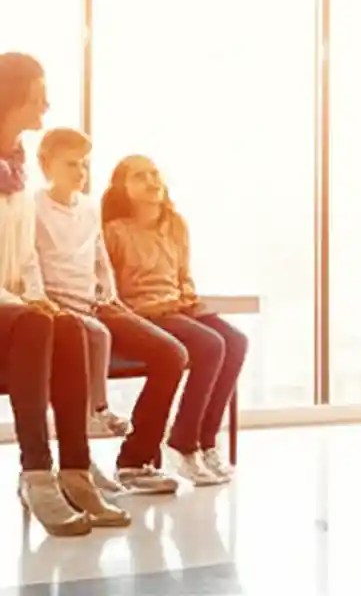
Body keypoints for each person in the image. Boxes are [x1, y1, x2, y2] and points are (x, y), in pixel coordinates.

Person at [0, 53, 129, 535]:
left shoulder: (14, 171)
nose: (46, 105)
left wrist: (36, 295)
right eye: (38, 96)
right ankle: (36, 475)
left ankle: (75, 471)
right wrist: (24, 304)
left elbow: (25, 255)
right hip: (7, 313)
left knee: (68, 324)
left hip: (11, 312)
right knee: (37, 322)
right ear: (11, 97)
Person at [34, 128, 184, 494]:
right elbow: (28, 260)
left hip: (97, 303)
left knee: (172, 354)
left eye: (84, 164)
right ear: (46, 165)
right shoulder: (32, 206)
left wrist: (110, 295)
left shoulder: (87, 209)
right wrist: (44, 300)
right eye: (71, 164)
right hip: (57, 306)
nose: (80, 172)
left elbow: (100, 256)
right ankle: (79, 464)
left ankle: (136, 462)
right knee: (84, 340)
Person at [103, 154, 247, 486]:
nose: (152, 181)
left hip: (177, 308)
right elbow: (110, 291)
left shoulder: (176, 225)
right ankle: (182, 445)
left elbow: (183, 274)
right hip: (142, 314)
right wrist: (158, 307)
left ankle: (205, 442)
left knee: (236, 341)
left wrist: (186, 296)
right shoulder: (113, 232)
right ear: (122, 188)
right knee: (209, 344)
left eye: (154, 174)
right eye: (140, 176)